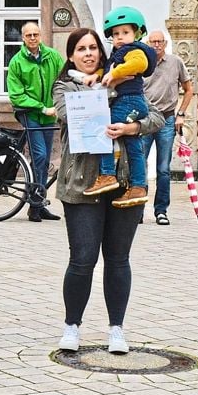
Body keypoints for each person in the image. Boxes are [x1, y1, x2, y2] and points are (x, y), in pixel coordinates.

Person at [53, 28, 165, 354]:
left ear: (101, 54)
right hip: (82, 185)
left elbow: (155, 115)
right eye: (81, 49)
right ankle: (71, 325)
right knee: (82, 259)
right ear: (71, 56)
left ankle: (116, 328)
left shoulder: (124, 82)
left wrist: (133, 127)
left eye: (93, 49)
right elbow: (67, 113)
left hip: (125, 184)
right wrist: (106, 88)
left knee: (118, 260)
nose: (88, 53)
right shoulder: (65, 87)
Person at [82, 6, 156, 208]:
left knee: (105, 129)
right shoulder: (118, 53)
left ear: (137, 33)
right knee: (134, 147)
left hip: (128, 101)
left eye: (125, 32)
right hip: (132, 103)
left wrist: (114, 74)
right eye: (116, 34)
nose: (120, 37)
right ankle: (138, 186)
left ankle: (107, 174)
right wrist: (96, 76)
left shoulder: (134, 50)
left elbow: (138, 64)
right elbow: (105, 71)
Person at [6, 21, 65, 222]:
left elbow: (63, 80)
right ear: (23, 38)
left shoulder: (52, 56)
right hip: (30, 114)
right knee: (39, 156)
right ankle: (34, 206)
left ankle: (39, 202)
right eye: (28, 35)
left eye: (36, 34)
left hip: (49, 115)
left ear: (41, 36)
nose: (32, 38)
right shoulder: (17, 62)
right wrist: (41, 107)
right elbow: (16, 95)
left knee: (45, 159)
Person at [141, 30, 194, 226]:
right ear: (148, 43)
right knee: (141, 166)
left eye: (160, 41)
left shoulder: (175, 62)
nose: (156, 45)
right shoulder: (142, 63)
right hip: (145, 119)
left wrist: (181, 114)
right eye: (153, 41)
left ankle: (161, 211)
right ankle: (138, 210)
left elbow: (189, 90)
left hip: (167, 119)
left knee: (163, 168)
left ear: (165, 43)